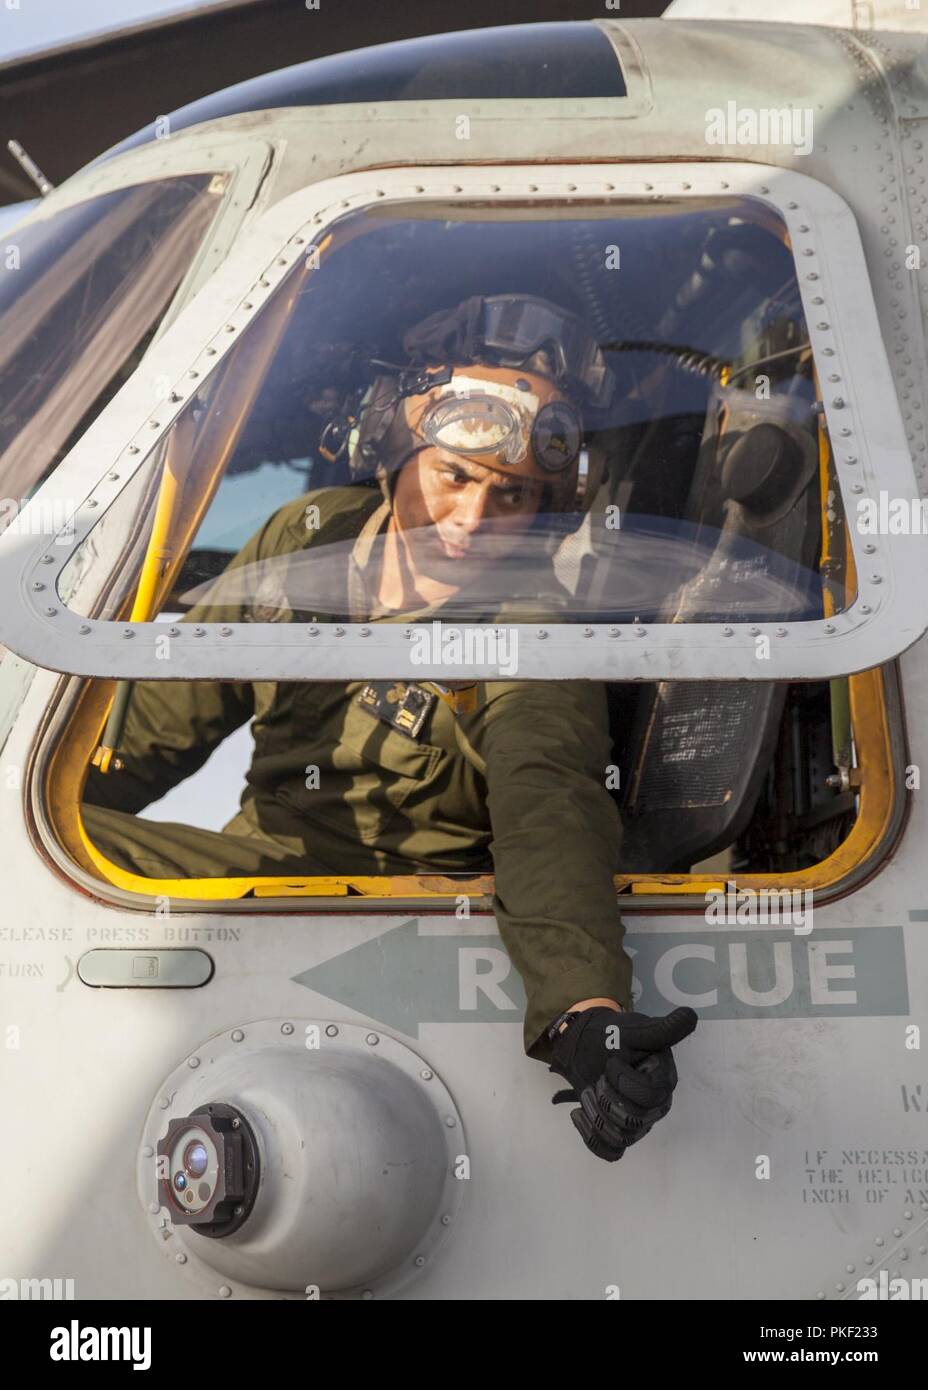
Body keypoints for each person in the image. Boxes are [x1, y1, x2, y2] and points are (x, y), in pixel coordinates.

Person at [82, 293, 697, 1161]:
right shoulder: (306, 541)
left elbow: (547, 808)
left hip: (391, 914)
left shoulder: (529, 634)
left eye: (512, 494)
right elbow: (141, 737)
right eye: (455, 476)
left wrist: (583, 1009)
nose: (474, 521)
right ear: (397, 452)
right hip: (259, 873)